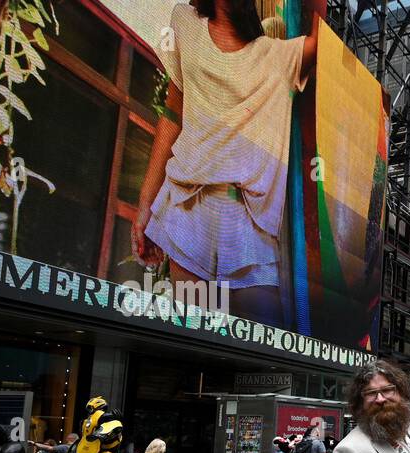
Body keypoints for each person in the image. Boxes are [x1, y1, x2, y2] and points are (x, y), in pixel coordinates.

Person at [134, 1, 319, 328]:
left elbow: (321, 38)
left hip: (251, 227)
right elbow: (172, 113)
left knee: (260, 353)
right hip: (188, 214)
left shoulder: (276, 54)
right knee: (195, 340)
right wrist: (146, 203)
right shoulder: (185, 22)